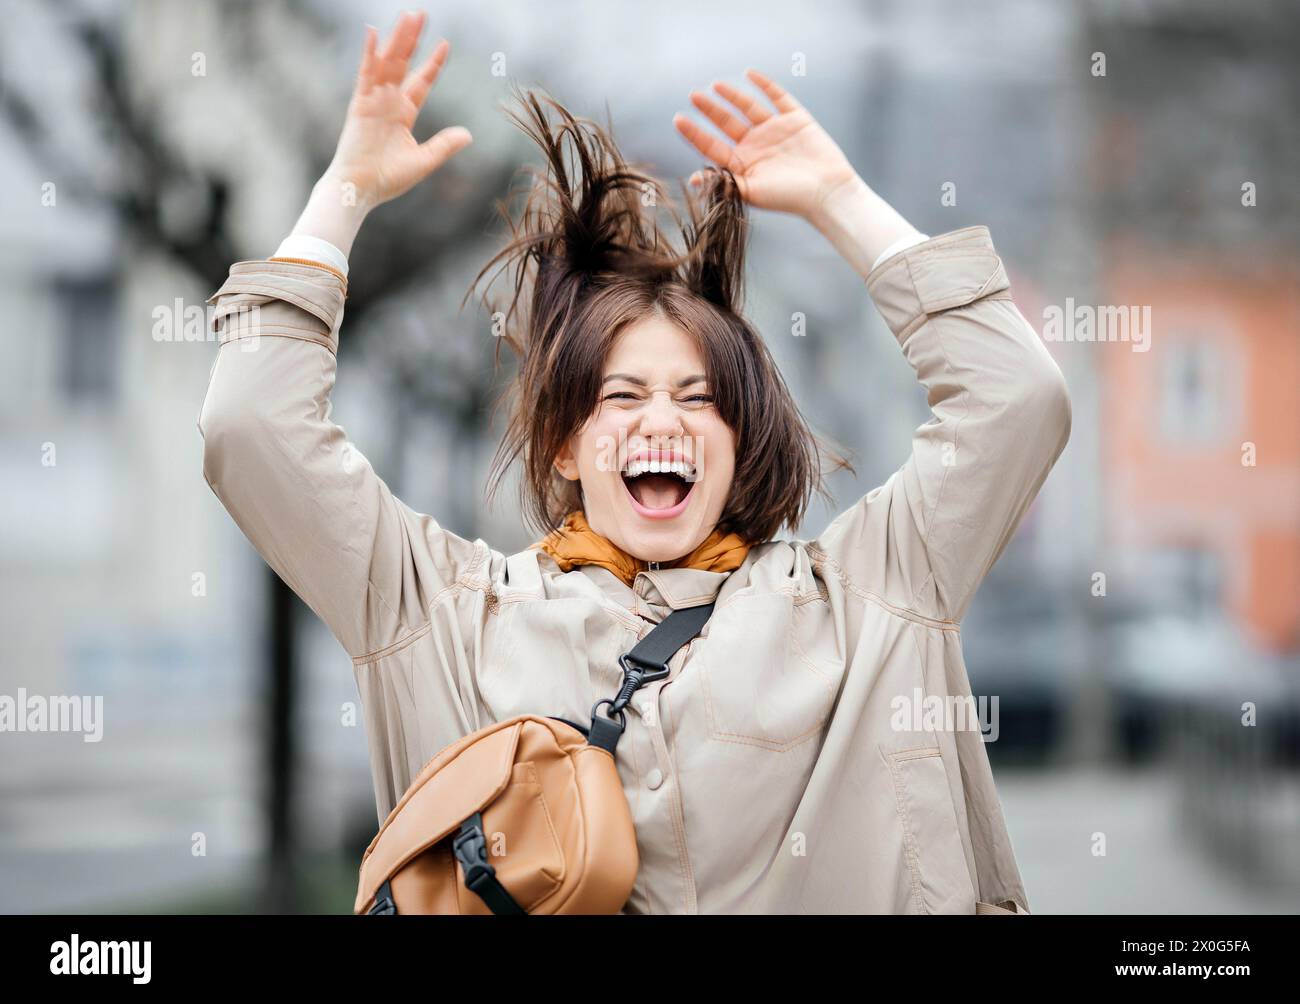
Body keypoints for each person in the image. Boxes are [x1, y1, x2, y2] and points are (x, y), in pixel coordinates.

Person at [199, 10, 1071, 914]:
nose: (665, 420)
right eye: (622, 396)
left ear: (741, 439)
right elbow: (250, 426)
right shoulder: (440, 616)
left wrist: (840, 201)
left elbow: (1018, 399)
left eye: (699, 399)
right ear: (568, 444)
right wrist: (343, 193)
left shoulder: (874, 594)